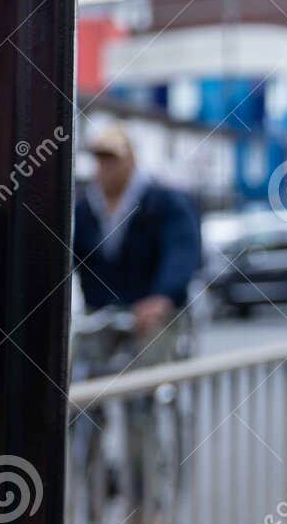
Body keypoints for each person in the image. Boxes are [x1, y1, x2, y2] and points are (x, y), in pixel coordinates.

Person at [72, 122, 201, 353]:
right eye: (100, 160)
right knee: (81, 362)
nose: (105, 167)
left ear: (130, 159)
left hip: (150, 310)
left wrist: (163, 296)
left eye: (112, 159)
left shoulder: (163, 202)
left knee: (152, 362)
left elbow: (181, 250)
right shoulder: (85, 208)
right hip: (101, 313)